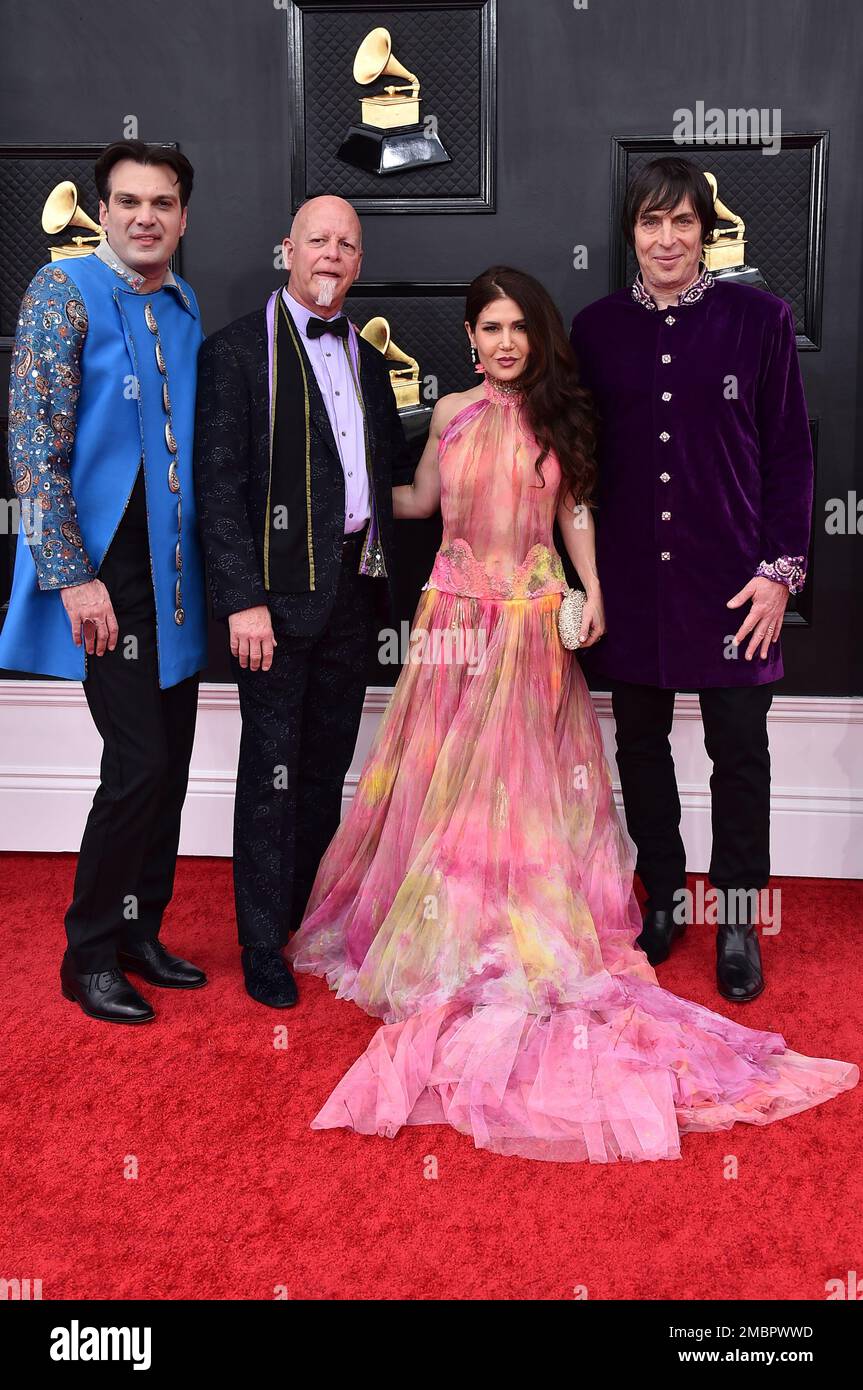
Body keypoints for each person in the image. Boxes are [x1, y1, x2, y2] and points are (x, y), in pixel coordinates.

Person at [285, 265, 857, 1163]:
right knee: (445, 787)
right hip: (450, 627)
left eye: (518, 326)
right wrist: (334, 485)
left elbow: (579, 508)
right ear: (467, 337)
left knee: (538, 786)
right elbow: (416, 502)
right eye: (489, 327)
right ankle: (468, 916)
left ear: (535, 334)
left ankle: (722, 918)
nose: (504, 341)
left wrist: (590, 589)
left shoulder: (561, 415)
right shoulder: (446, 415)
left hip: (531, 624)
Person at [570, 157, 814, 1003]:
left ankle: (740, 917)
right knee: (638, 749)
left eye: (682, 223)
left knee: (738, 753)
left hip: (735, 586)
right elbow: (576, 460)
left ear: (704, 233)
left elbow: (789, 454)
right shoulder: (595, 328)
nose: (665, 239)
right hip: (632, 584)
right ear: (629, 233)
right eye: (649, 223)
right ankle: (664, 898)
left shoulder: (758, 320)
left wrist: (779, 574)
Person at [0, 139, 208, 1023]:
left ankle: (139, 931)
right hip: (103, 577)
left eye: (161, 203)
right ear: (104, 209)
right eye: (128, 202)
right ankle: (86, 953)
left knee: (173, 765)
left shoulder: (188, 302)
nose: (145, 217)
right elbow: (32, 451)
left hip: (176, 577)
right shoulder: (60, 293)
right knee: (137, 764)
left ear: (183, 216)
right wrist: (71, 576)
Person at [194, 195, 414, 1008]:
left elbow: (386, 476)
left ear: (359, 261)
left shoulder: (366, 357)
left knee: (324, 772)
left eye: (347, 244)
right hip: (274, 608)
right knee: (272, 775)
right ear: (287, 248)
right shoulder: (235, 355)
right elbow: (216, 490)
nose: (332, 254)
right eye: (317, 240)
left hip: (354, 592)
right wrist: (241, 602)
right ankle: (257, 945)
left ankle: (291, 917)